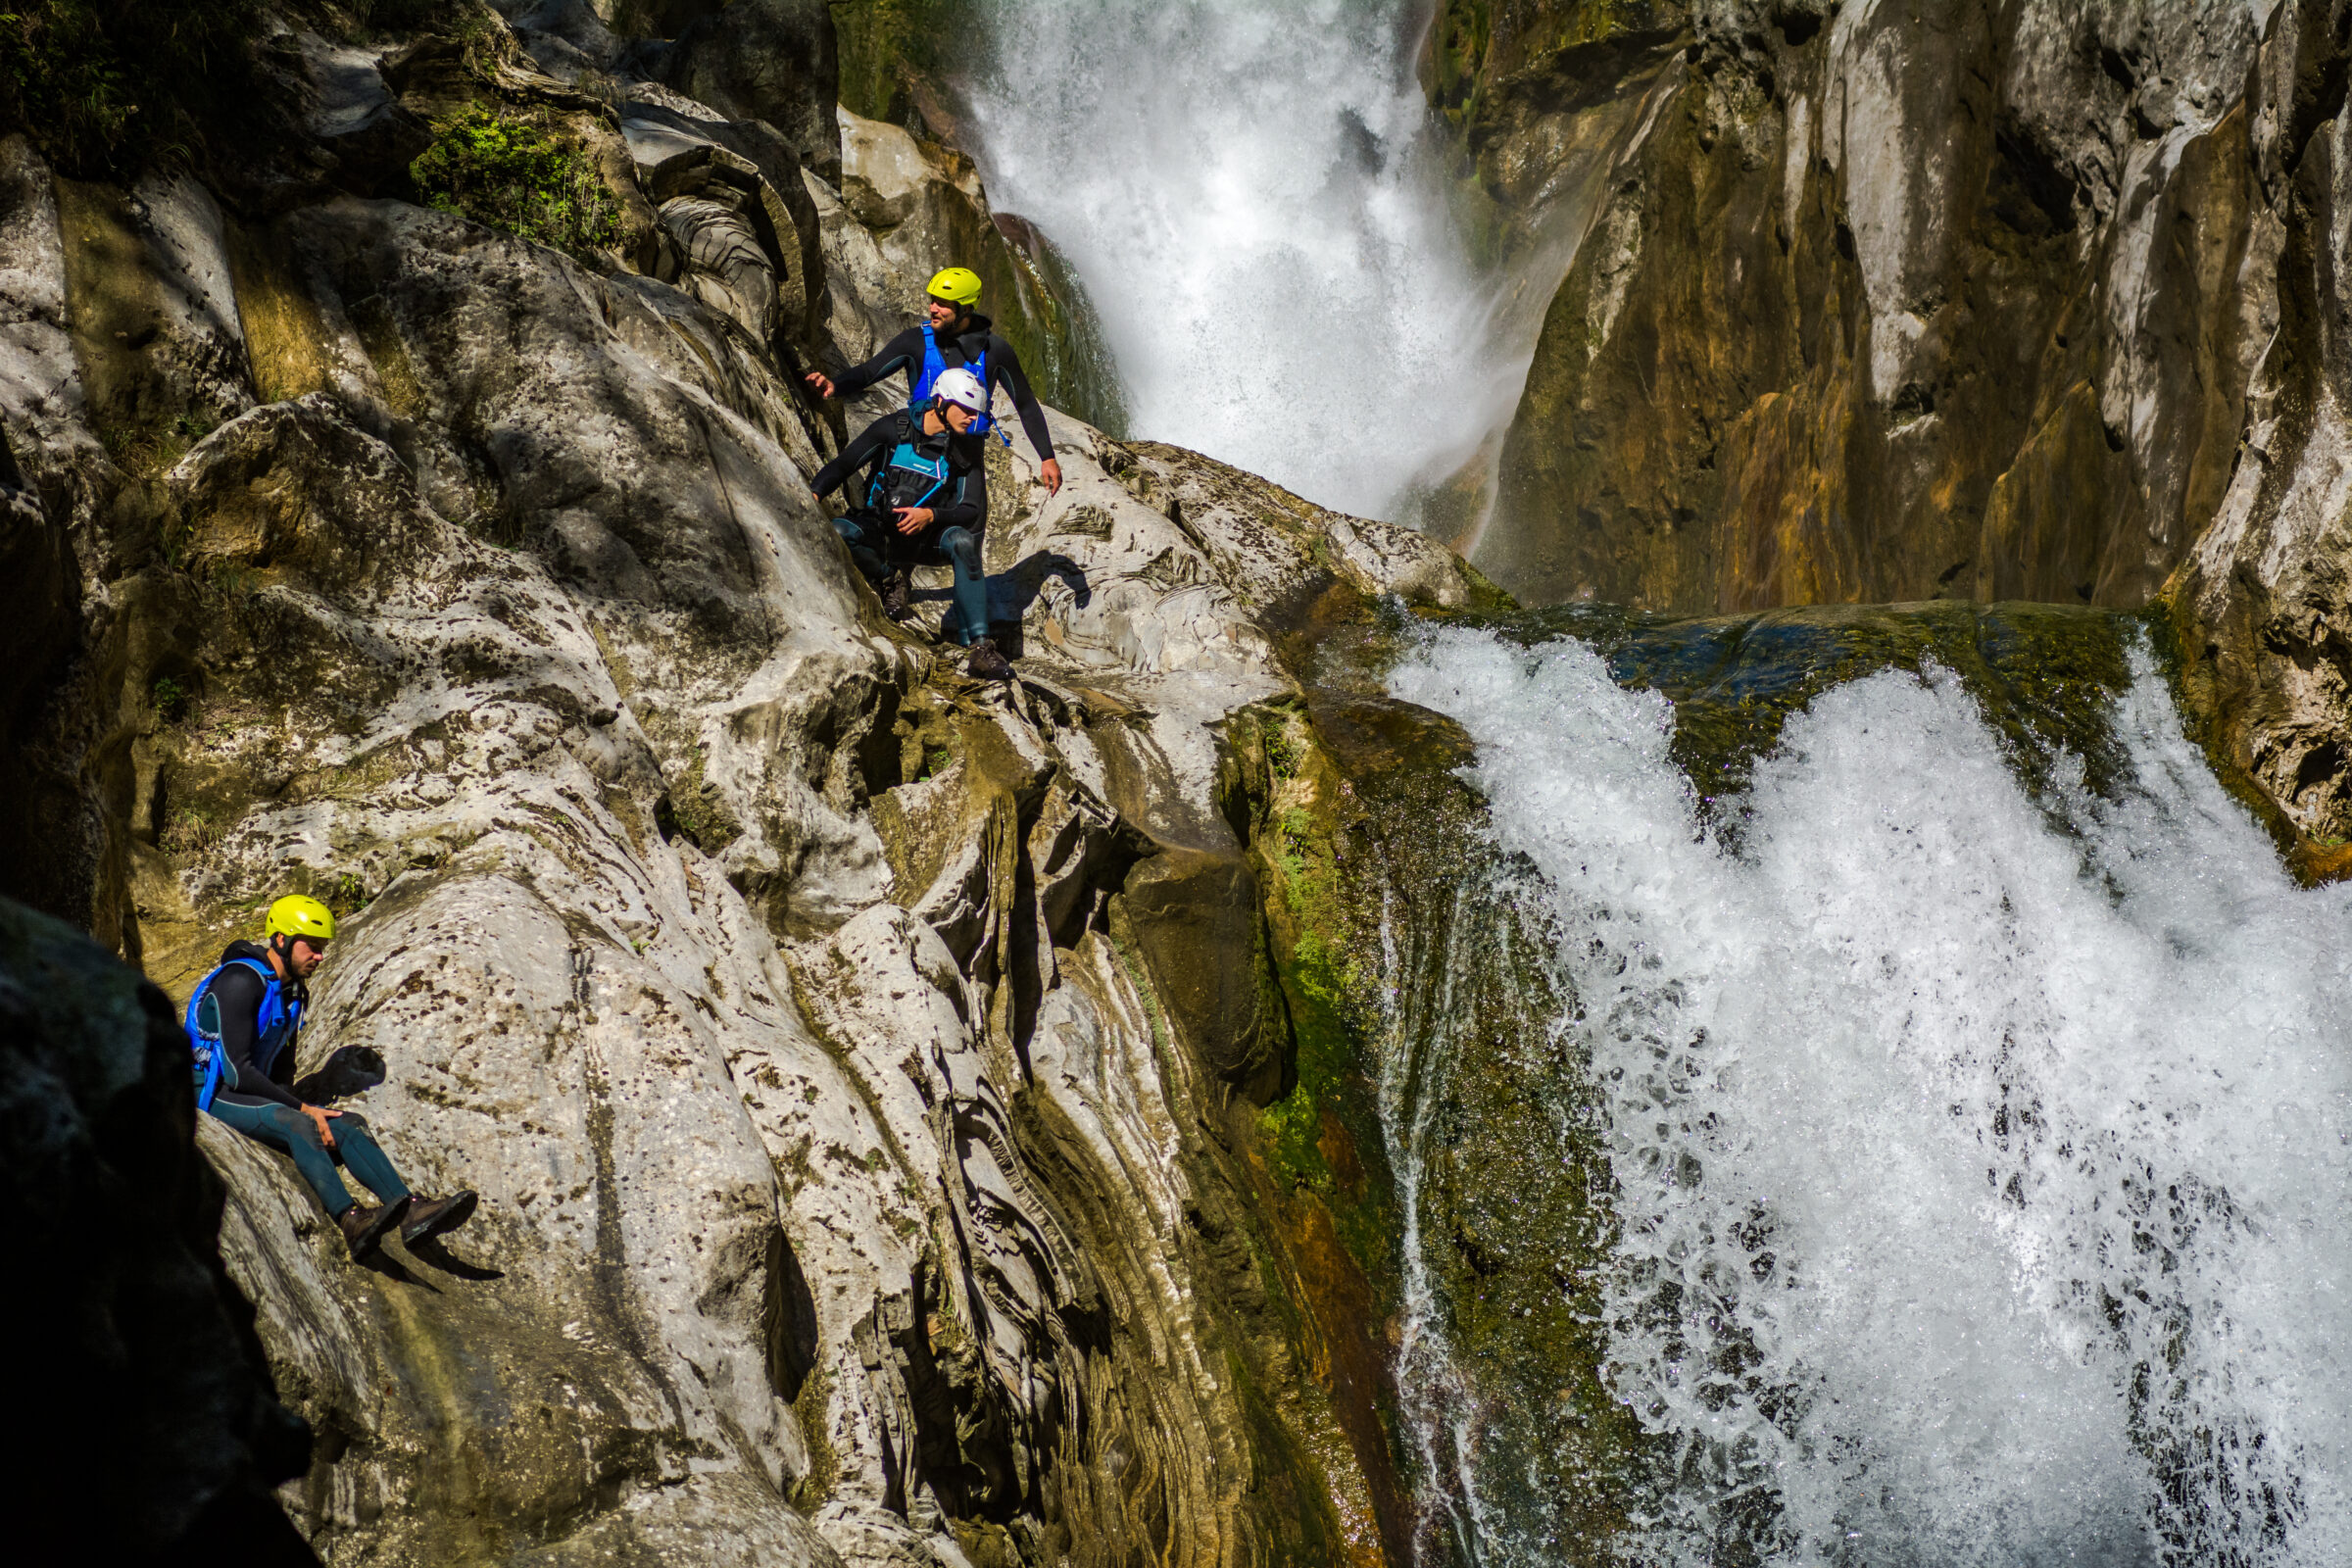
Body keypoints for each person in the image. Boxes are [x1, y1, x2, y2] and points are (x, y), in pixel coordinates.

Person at [185, 895, 477, 1260]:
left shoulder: (293, 993)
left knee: (347, 1123)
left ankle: (413, 1211)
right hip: (208, 1092)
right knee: (299, 1122)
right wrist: (303, 1108)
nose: (319, 957)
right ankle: (352, 1221)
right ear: (280, 940)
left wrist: (309, 1110)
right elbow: (236, 1070)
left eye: (323, 949)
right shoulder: (241, 981)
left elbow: (281, 1071)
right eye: (312, 947)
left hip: (246, 1093)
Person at [810, 367, 1014, 680]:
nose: (973, 420)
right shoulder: (894, 428)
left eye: (977, 414)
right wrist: (813, 493)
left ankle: (980, 647)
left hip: (927, 538)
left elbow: (970, 509)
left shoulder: (967, 447)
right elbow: (844, 464)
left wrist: (932, 516)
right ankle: (890, 578)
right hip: (881, 529)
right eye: (968, 411)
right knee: (839, 532)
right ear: (941, 403)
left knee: (962, 541)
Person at [806, 266, 1065, 498]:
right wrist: (835, 385)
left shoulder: (995, 351)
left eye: (943, 304)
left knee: (964, 543)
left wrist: (1047, 457)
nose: (933, 308)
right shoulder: (915, 341)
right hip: (915, 446)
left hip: (965, 455)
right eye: (932, 301)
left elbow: (1026, 404)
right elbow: (869, 372)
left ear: (965, 309)